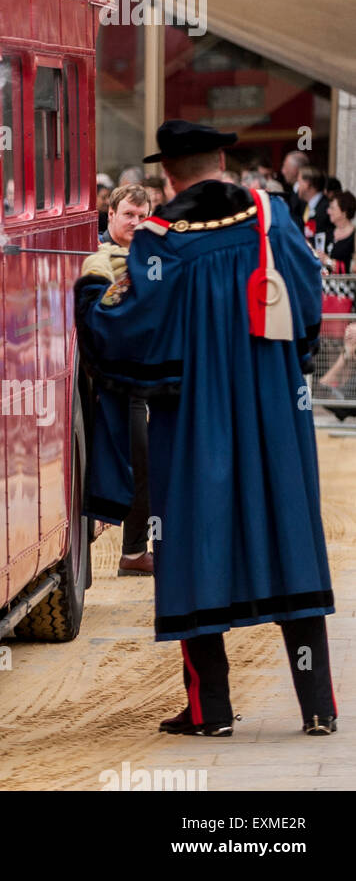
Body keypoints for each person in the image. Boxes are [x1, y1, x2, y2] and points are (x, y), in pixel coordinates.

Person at [76, 119, 336, 737]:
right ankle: (318, 707)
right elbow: (306, 309)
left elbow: (131, 333)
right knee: (289, 532)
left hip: (194, 418)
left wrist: (90, 292)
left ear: (168, 174)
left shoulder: (161, 238)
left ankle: (209, 710)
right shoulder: (271, 218)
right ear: (222, 159)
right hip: (273, 409)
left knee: (192, 543)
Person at [82, 184, 153, 576]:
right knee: (118, 462)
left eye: (143, 216)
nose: (136, 223)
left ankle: (132, 551)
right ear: (110, 214)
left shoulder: (150, 255)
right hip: (101, 380)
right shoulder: (95, 254)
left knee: (143, 462)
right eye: (129, 215)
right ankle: (98, 543)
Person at [282, 149, 309, 226]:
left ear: (295, 170)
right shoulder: (294, 192)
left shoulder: (305, 194)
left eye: (285, 167)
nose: (283, 171)